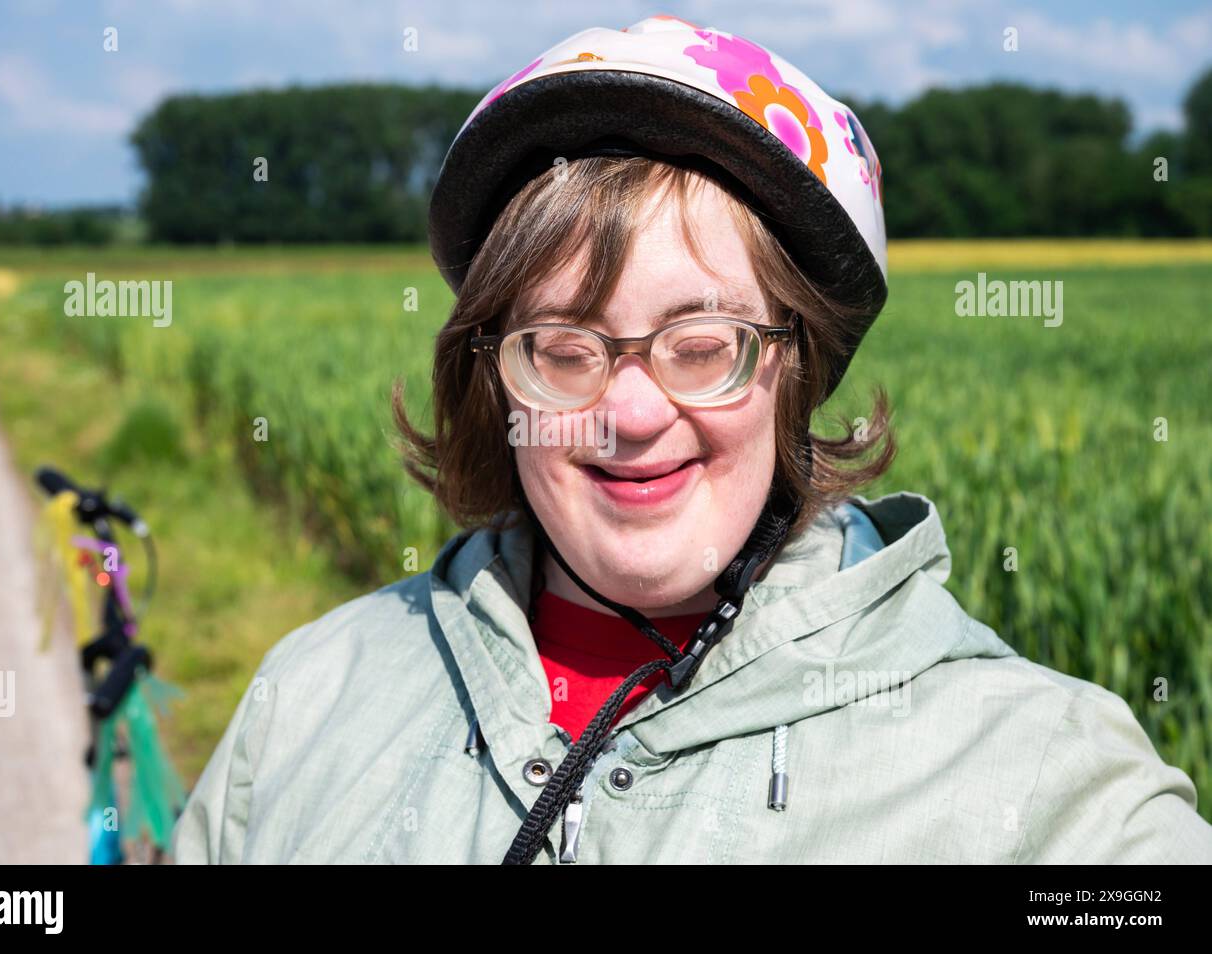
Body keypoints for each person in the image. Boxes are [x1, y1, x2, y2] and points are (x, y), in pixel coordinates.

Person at [172, 15, 1212, 864]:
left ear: (791, 364)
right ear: (495, 377)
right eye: (563, 346)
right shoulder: (305, 701)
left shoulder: (1044, 786)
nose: (629, 415)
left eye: (700, 343)